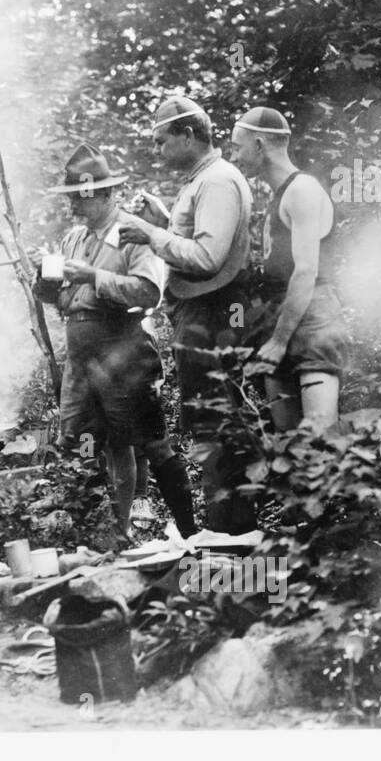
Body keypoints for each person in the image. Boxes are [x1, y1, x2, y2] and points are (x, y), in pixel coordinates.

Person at [32, 143, 198, 538]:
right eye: (71, 197)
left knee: (151, 442)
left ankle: (193, 535)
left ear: (106, 195)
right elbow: (59, 296)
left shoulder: (134, 233)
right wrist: (45, 282)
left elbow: (147, 292)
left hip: (123, 352)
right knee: (89, 444)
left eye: (81, 198)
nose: (73, 206)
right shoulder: (74, 239)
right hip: (81, 357)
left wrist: (92, 277)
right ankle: (112, 534)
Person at [119, 96, 257, 535]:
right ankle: (227, 530)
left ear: (188, 135)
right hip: (200, 313)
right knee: (209, 420)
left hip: (211, 314)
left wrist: (151, 233)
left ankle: (232, 534)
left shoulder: (216, 181)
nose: (157, 150)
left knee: (216, 423)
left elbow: (207, 258)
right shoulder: (201, 181)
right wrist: (162, 218)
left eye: (162, 141)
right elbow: (194, 238)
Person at [230, 106, 349, 431]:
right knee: (289, 445)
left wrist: (280, 340)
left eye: (237, 147)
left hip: (312, 320)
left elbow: (306, 270)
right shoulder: (279, 196)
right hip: (281, 319)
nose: (234, 156)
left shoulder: (302, 190)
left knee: (319, 433)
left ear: (259, 145)